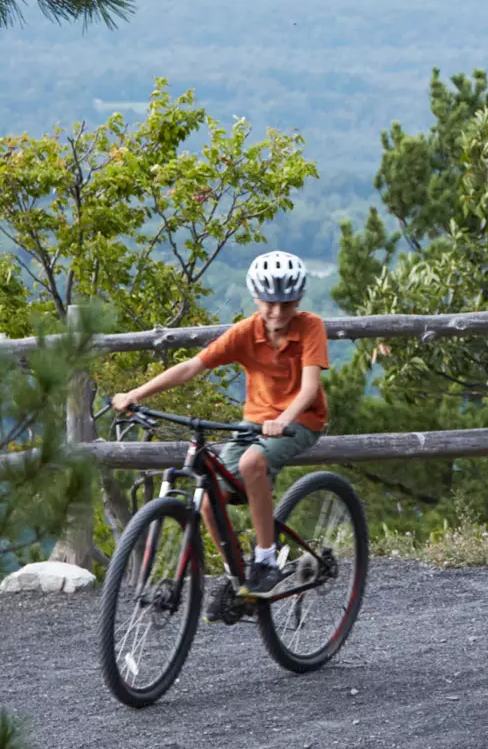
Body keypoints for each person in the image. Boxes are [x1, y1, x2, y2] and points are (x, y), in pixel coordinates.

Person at [111, 250, 328, 598]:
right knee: (210, 497)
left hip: (300, 421)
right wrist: (136, 393)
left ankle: (266, 560)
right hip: (252, 424)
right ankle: (236, 577)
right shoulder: (245, 332)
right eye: (269, 303)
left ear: (298, 300)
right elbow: (192, 367)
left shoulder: (310, 326)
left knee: (251, 462)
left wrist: (282, 420)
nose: (276, 312)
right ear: (256, 298)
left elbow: (309, 389)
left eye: (286, 304)